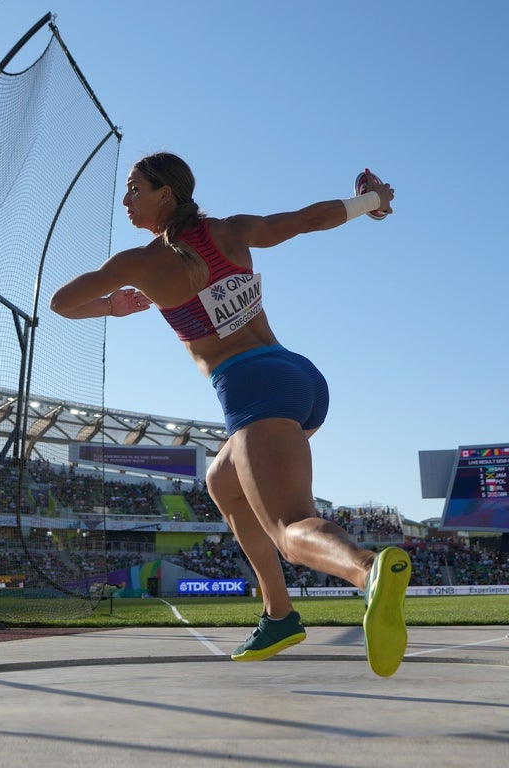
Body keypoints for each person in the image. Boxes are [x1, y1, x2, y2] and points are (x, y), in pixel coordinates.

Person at [50, 152, 411, 677]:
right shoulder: (230, 232)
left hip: (252, 387)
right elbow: (309, 220)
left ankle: (368, 569)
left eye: (134, 188)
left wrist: (112, 305)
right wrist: (374, 199)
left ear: (164, 194)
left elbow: (63, 302)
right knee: (223, 483)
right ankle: (278, 614)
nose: (126, 199)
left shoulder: (137, 264)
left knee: (289, 529)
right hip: (301, 378)